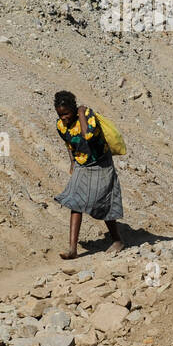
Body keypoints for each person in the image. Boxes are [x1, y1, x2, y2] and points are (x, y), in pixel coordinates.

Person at [52, 90, 124, 260]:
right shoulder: (61, 125)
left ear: (74, 109)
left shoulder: (88, 116)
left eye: (67, 113)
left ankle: (117, 240)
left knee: (103, 203)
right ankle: (72, 249)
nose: (63, 118)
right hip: (82, 164)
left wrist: (81, 113)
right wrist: (72, 162)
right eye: (60, 115)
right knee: (75, 201)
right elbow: (68, 143)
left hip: (101, 163)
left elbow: (87, 135)